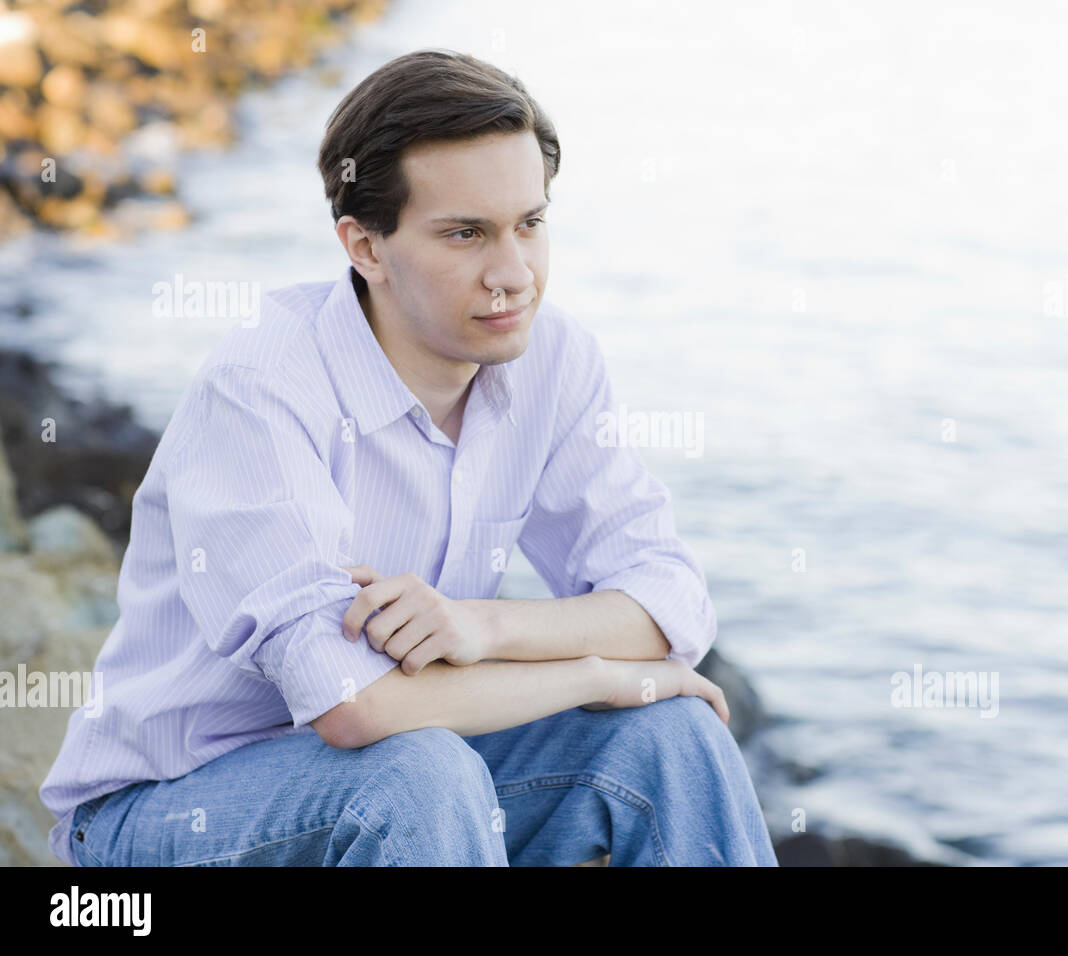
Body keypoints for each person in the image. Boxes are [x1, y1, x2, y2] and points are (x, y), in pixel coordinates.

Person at [39, 49, 777, 867]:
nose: (514, 275)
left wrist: (483, 624)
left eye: (530, 224)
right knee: (416, 771)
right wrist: (600, 674)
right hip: (171, 809)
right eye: (466, 234)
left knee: (669, 735)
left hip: (409, 770)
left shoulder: (552, 359)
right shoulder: (260, 388)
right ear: (366, 247)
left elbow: (669, 601)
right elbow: (352, 707)